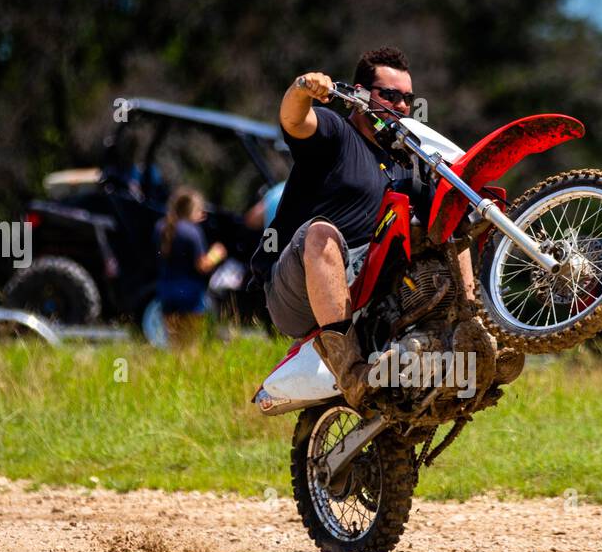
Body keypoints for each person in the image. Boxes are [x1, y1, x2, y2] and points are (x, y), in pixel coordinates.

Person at [252, 46, 477, 409]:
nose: (401, 105)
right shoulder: (335, 133)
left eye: (407, 98)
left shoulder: (407, 162)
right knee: (321, 233)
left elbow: (446, 226)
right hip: (295, 289)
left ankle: (470, 330)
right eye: (388, 95)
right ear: (360, 95)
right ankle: (350, 370)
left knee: (448, 226)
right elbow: (295, 121)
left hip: (365, 288)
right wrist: (303, 88)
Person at [155, 186, 227, 348]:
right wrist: (216, 254)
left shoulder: (161, 228)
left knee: (174, 345)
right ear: (191, 210)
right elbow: (202, 265)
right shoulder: (192, 231)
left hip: (166, 291)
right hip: (190, 294)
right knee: (191, 344)